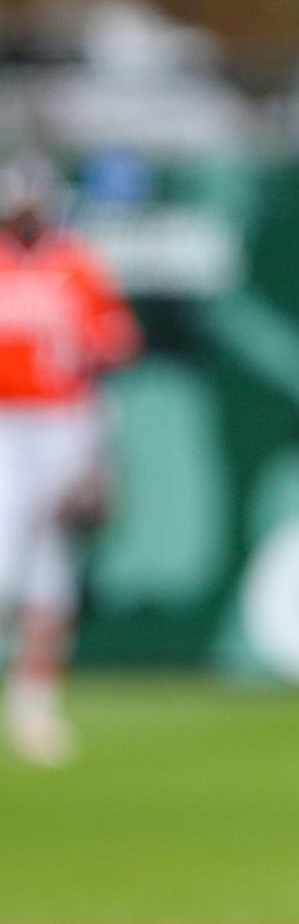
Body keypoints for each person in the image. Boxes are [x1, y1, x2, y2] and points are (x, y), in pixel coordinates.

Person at [0, 148, 140, 766]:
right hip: (5, 421)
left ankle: (35, 702)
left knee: (52, 567)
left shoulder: (74, 263)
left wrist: (96, 441)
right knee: (3, 560)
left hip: (62, 421)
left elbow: (118, 340)